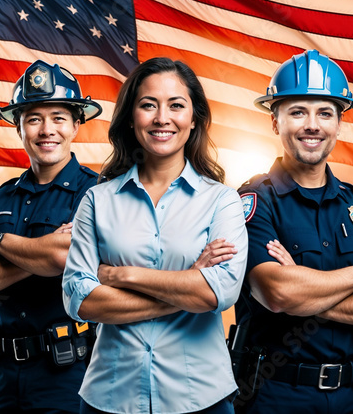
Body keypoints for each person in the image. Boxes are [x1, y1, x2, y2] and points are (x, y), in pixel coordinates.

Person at [232, 50, 353, 414]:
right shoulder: (253, 200)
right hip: (276, 396)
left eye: (325, 112)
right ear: (275, 121)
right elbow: (277, 292)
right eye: (298, 111)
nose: (312, 125)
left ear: (339, 124)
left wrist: (307, 292)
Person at [62, 57, 247, 414]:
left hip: (201, 397)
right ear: (131, 118)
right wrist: (188, 281)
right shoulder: (98, 200)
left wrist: (121, 275)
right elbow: (79, 300)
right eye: (148, 105)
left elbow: (218, 292)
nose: (162, 118)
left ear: (194, 119)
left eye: (176, 105)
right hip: (111, 395)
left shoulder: (222, 200)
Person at [0, 60, 102, 413]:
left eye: (58, 118)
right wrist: (45, 254)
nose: (46, 130)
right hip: (3, 379)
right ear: (18, 128)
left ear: (76, 125)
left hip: (69, 375)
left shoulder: (95, 193)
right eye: (33, 119)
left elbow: (64, 258)